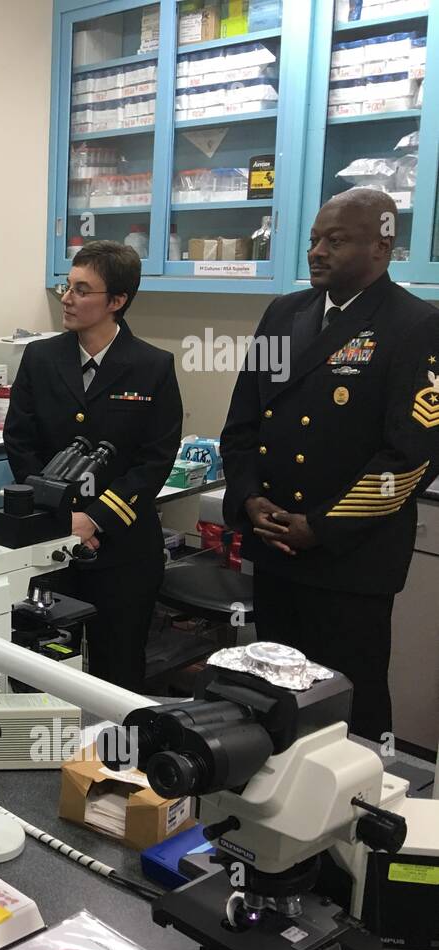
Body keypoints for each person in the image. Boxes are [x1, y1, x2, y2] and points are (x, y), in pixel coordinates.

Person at [220, 188, 439, 742]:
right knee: (276, 694)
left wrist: (322, 528)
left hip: (349, 557)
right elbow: (243, 421)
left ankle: (361, 812)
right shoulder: (284, 312)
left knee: (350, 699)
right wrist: (249, 498)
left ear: (382, 246)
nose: (317, 251)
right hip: (275, 546)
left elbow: (412, 457)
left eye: (335, 241)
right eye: (315, 239)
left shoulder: (416, 325)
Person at [3, 240, 182, 692]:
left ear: (117, 301)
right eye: (68, 286)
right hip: (49, 545)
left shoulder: (152, 367)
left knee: (116, 672)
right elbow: (20, 442)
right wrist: (60, 515)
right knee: (42, 664)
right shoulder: (41, 359)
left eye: (83, 290)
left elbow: (154, 460)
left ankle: (113, 761)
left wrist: (95, 519)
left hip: (122, 550)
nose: (67, 297)